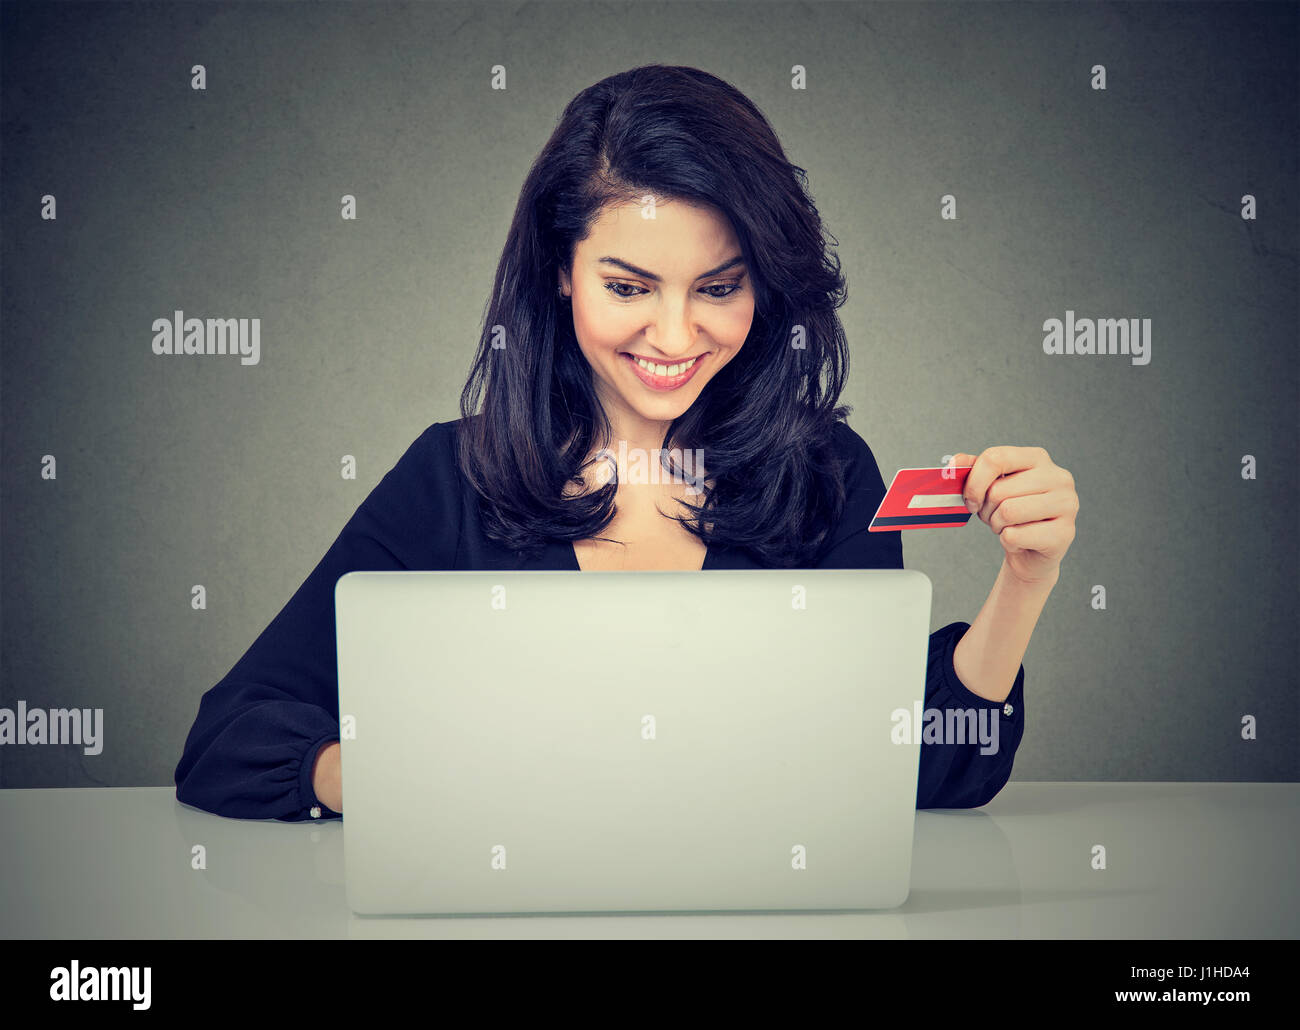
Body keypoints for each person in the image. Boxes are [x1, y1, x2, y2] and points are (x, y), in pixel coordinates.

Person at [175, 64, 1077, 822]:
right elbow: (227, 740)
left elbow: (917, 767)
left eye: (719, 288)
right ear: (562, 273)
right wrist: (394, 784)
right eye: (629, 286)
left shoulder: (829, 475)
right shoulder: (451, 478)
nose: (676, 337)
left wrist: (1024, 581)